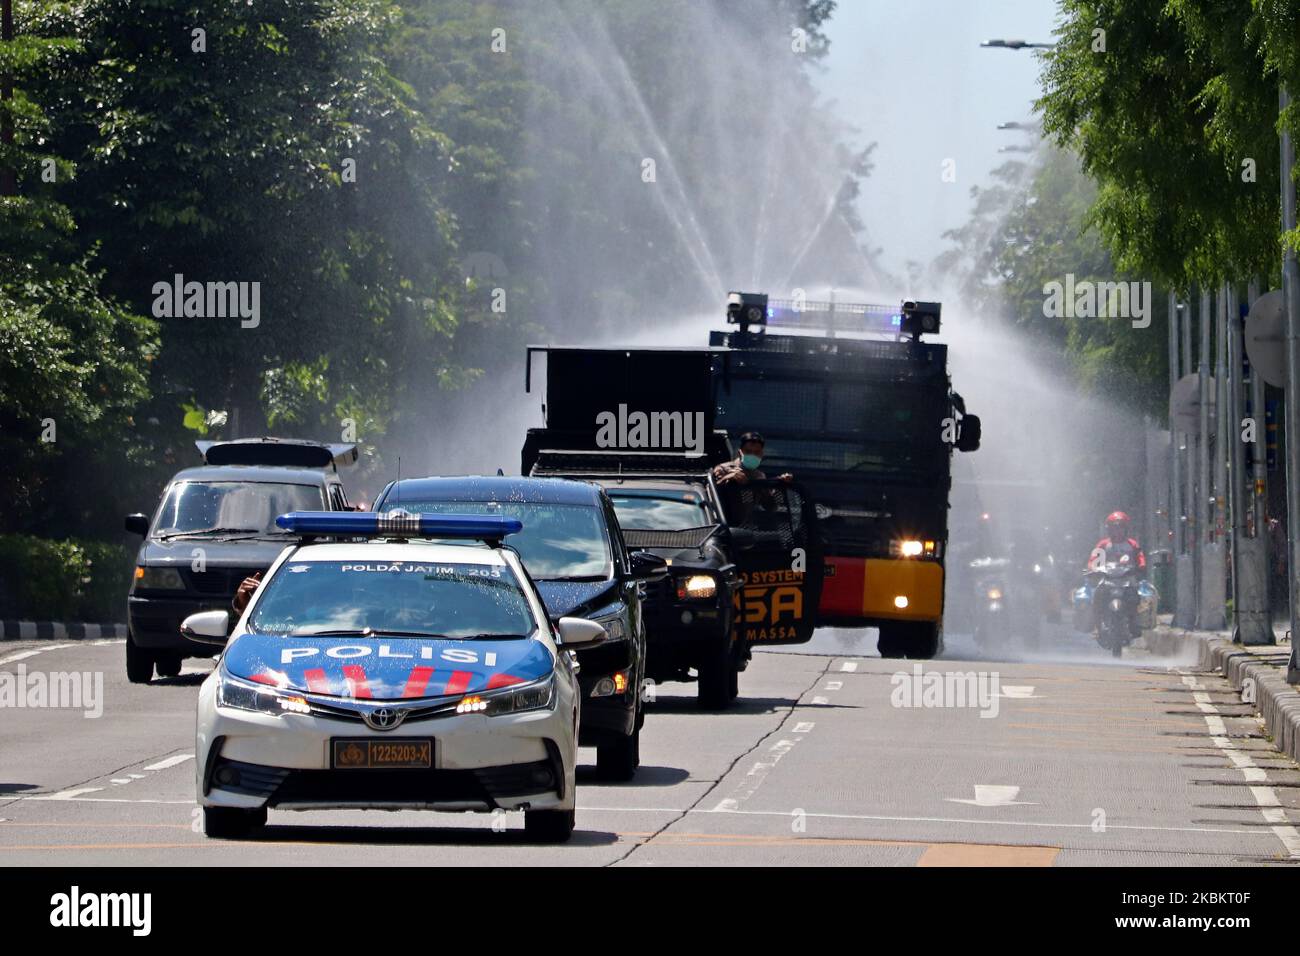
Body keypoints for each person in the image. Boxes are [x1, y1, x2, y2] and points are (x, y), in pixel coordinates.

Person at [711, 431, 792, 487]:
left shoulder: (759, 475)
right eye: (748, 452)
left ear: (761, 454)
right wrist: (729, 477)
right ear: (740, 452)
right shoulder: (722, 469)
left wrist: (780, 482)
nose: (752, 455)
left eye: (756, 452)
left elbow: (770, 507)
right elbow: (711, 492)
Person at [1087, 511, 1147, 575]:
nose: (1118, 530)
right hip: (1107, 580)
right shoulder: (1102, 544)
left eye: (1121, 527)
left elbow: (1140, 556)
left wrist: (1142, 566)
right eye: (1114, 528)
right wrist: (1091, 567)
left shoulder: (1133, 544)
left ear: (1126, 529)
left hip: (1129, 579)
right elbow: (1093, 559)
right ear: (1109, 530)